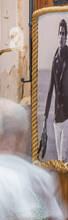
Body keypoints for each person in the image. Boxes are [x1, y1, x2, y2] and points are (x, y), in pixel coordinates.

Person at [41, 18, 68, 159]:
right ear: (57, 35)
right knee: (59, 160)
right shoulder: (55, 59)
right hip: (57, 117)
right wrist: (45, 117)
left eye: (64, 34)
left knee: (63, 158)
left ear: (67, 36)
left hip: (67, 116)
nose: (62, 36)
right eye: (60, 33)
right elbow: (51, 90)